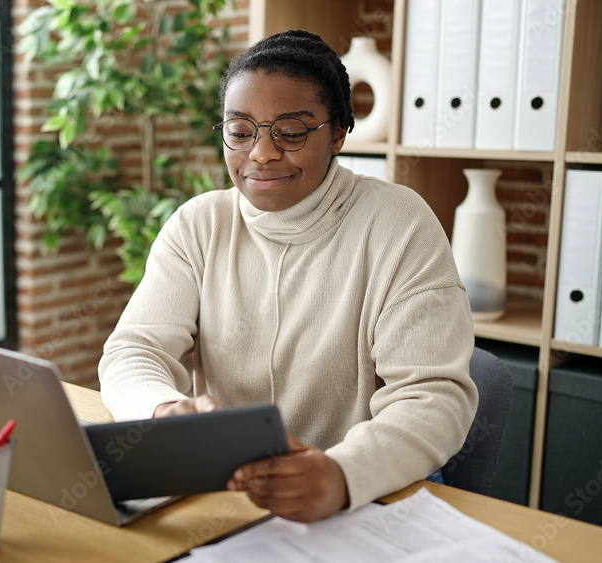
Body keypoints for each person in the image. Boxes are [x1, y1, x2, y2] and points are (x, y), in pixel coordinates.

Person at [97, 29, 478, 523]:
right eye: (240, 130)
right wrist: (162, 410)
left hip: (365, 491)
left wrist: (342, 474)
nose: (261, 153)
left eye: (292, 132)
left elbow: (433, 395)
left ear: (338, 132)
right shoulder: (199, 224)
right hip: (233, 489)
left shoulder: (399, 223)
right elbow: (133, 349)